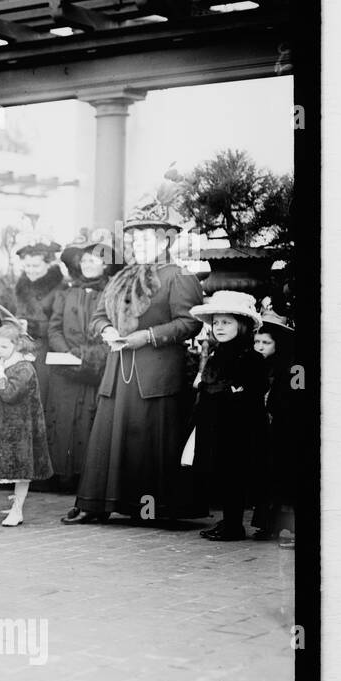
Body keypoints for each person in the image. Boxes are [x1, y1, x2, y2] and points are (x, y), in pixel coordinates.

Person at [64, 197, 206, 525]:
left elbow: (190, 322)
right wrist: (108, 329)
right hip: (118, 372)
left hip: (155, 374)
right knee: (108, 440)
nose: (139, 242)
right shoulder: (121, 278)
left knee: (150, 441)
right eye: (134, 237)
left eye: (147, 236)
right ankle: (96, 504)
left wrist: (148, 336)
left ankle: (153, 509)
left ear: (165, 239)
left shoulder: (179, 275)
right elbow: (98, 317)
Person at [186, 292, 268, 541]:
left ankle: (234, 526)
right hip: (215, 424)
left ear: (241, 325)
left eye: (227, 322)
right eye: (217, 322)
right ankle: (228, 522)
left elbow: (254, 389)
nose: (219, 327)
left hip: (239, 427)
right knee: (221, 474)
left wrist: (223, 391)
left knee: (235, 474)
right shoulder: (217, 353)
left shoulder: (249, 357)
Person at [48, 232, 113, 496]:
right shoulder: (67, 293)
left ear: (105, 264)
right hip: (66, 369)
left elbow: (114, 327)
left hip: (98, 369)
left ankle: (88, 478)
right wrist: (68, 353)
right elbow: (54, 329)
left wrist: (91, 356)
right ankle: (63, 476)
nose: (88, 265)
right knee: (64, 421)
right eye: (84, 261)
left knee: (91, 420)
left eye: (94, 260)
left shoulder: (112, 293)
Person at [0, 320, 52, 526]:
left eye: (5, 347)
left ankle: (17, 510)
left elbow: (10, 393)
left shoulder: (24, 368)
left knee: (22, 473)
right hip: (2, 428)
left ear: (17, 345)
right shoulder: (4, 364)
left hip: (21, 430)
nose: (0, 351)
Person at [250, 308, 297, 542]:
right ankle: (267, 523)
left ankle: (284, 525)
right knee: (268, 475)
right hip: (269, 430)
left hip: (284, 428)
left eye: (266, 342)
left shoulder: (289, 367)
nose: (259, 346)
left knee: (283, 475)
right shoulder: (261, 367)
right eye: (257, 341)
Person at [12, 238, 65, 416]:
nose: (30, 271)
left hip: (46, 351)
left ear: (49, 265)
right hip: (22, 348)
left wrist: (31, 326)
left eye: (36, 266)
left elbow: (60, 325)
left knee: (41, 397)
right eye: (27, 266)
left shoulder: (60, 288)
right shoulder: (22, 286)